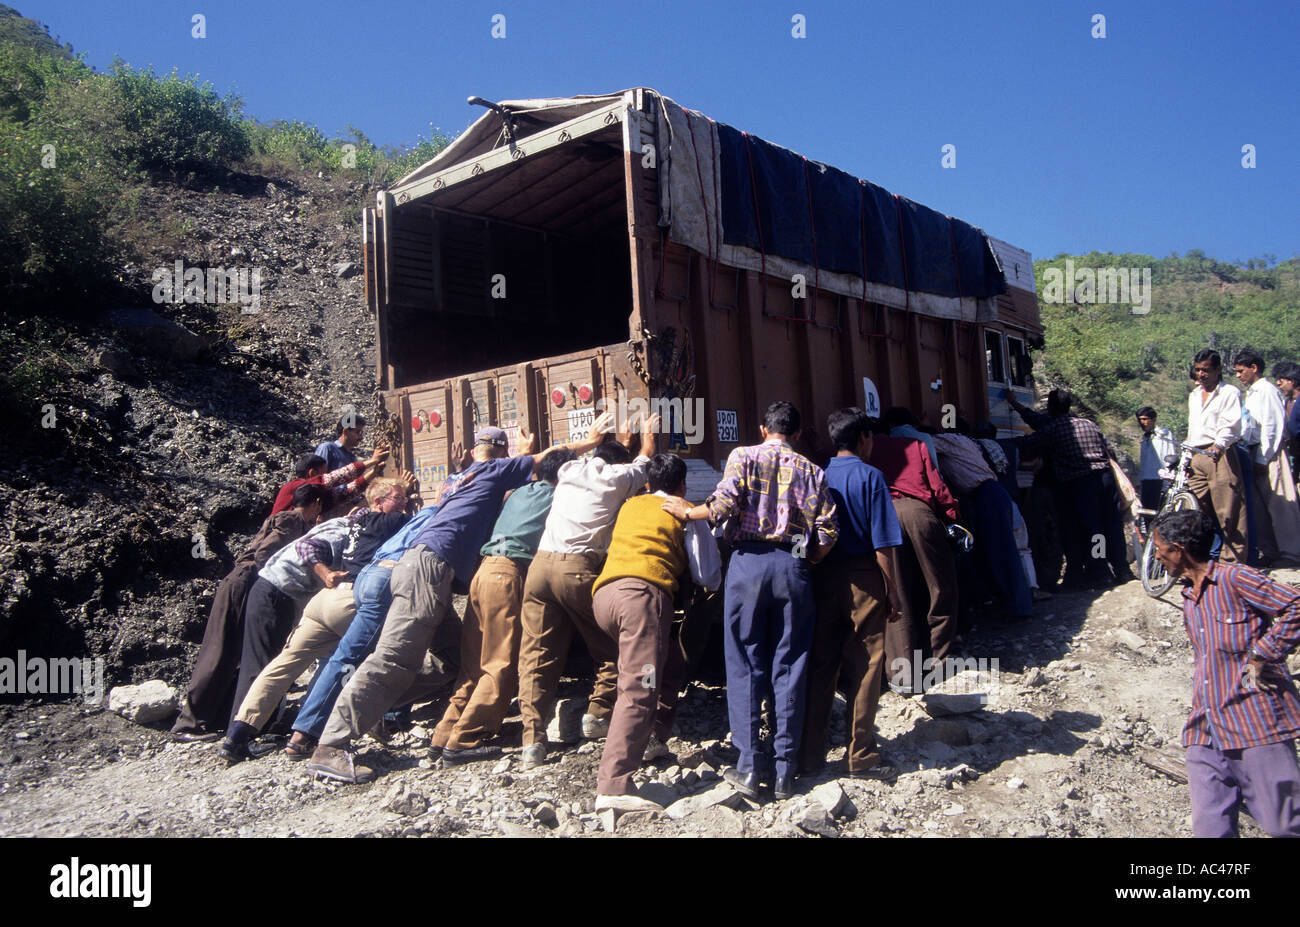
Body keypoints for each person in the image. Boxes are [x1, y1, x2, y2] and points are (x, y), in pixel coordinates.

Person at [305, 420, 609, 783]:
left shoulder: (462, 477)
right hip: (429, 569)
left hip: (430, 571)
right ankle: (332, 744)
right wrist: (590, 442)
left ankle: (399, 717)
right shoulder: (496, 471)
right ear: (499, 454)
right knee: (395, 659)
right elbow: (546, 460)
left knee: (455, 660)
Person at [663, 401, 837, 801]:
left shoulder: (743, 456)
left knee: (744, 665)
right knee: (790, 665)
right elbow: (827, 533)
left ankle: (747, 767)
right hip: (792, 566)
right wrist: (804, 562)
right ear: (795, 433)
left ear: (763, 429)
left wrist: (687, 512)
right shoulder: (813, 471)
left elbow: (722, 506)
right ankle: (784, 770)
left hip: (747, 566)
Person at [218, 476, 416, 761]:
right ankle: (365, 725)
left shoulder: (354, 522)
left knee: (284, 666)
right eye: (398, 498)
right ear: (378, 501)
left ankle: (237, 736)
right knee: (373, 659)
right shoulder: (392, 523)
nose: (404, 502)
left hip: (322, 601)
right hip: (352, 599)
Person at [515, 413, 659, 770]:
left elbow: (558, 453)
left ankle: (532, 741)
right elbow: (646, 461)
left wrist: (598, 439)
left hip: (539, 568)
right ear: (618, 462)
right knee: (612, 646)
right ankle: (596, 714)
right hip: (576, 570)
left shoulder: (568, 471)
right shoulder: (619, 476)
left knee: (536, 656)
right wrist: (647, 438)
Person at [1149, 509, 1300, 838]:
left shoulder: (1235, 579)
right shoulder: (1190, 596)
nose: (1158, 558)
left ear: (1179, 549)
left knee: (1285, 823)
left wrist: (1263, 653)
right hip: (1206, 727)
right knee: (1210, 829)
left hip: (1254, 722)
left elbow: (1296, 605)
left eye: (1159, 549)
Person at [429, 446, 577, 766]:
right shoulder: (559, 498)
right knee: (502, 663)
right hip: (508, 575)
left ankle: (444, 733)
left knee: (473, 663)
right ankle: (466, 739)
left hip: (482, 573)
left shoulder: (520, 492)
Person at [590, 453, 722, 812]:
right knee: (640, 685)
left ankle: (652, 740)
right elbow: (707, 574)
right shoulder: (681, 511)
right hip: (642, 599)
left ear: (649, 482)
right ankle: (613, 786)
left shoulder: (629, 506)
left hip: (605, 598)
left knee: (661, 663)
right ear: (682, 485)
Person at [169, 484, 325, 741]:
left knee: (236, 654)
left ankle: (218, 717)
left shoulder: (289, 519)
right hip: (245, 584)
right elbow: (265, 553)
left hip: (245, 583)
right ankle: (189, 724)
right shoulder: (291, 520)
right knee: (219, 652)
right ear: (316, 504)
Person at [799, 409, 903, 780]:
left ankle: (809, 756)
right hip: (863, 577)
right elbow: (884, 543)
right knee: (867, 663)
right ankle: (859, 753)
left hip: (822, 577)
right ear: (863, 438)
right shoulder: (871, 476)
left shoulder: (817, 473)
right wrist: (892, 591)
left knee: (821, 663)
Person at [867, 424, 961, 682]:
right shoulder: (915, 445)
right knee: (939, 588)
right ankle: (940, 663)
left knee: (897, 596)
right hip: (920, 514)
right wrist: (952, 516)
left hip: (884, 518)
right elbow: (938, 488)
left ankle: (904, 676)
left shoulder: (865, 448)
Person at [1019, 389, 1130, 587]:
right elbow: (1108, 449)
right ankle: (1122, 570)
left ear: (1051, 408)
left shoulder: (1055, 427)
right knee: (1112, 525)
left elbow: (1028, 442)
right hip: (1105, 478)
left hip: (1084, 482)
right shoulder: (1089, 424)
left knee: (1093, 527)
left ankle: (1099, 572)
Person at [930, 429, 1033, 619]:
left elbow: (922, 443)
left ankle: (1018, 607)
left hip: (986, 495)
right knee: (999, 550)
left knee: (1001, 552)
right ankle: (1013, 604)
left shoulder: (945, 441)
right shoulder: (967, 440)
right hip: (990, 493)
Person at [1234, 349, 1300, 566]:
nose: (1238, 376)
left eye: (1241, 371)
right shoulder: (1252, 392)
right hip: (1252, 450)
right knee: (1259, 506)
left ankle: (1291, 552)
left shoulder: (1267, 391)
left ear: (1254, 368)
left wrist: (1263, 458)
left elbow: (1271, 426)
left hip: (1268, 452)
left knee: (1280, 502)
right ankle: (1270, 551)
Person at [1186, 349, 1249, 563]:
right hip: (1196, 454)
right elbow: (1193, 428)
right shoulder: (1194, 396)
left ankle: (1233, 561)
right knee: (1198, 510)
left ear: (1218, 370)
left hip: (1219, 453)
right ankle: (1203, 559)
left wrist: (1219, 446)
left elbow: (1230, 425)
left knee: (1228, 510)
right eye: (1198, 370)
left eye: (1206, 370)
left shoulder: (1229, 392)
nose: (1201, 374)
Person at [270, 448, 388, 515]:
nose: (325, 476)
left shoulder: (316, 499)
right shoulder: (294, 486)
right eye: (323, 472)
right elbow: (335, 477)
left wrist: (373, 472)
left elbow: (345, 494)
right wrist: (372, 461)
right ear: (312, 473)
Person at [1136, 406, 1178, 524]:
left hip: (1159, 478)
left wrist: (1169, 475)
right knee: (1146, 513)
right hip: (1146, 479)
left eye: (1145, 419)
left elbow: (1170, 452)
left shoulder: (1163, 434)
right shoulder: (1145, 438)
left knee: (1159, 513)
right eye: (1140, 420)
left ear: (1153, 419)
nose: (1142, 423)